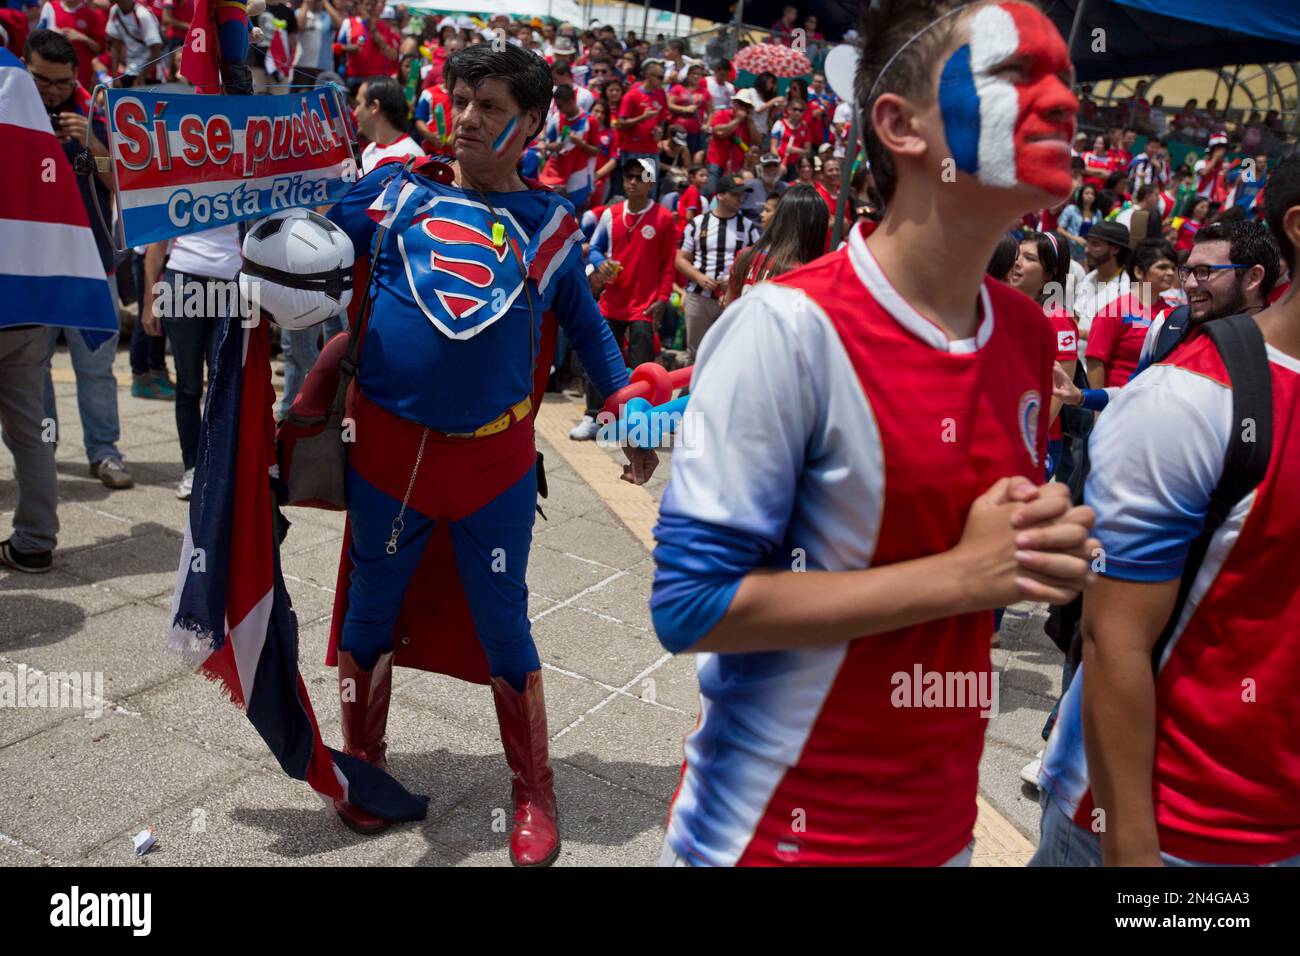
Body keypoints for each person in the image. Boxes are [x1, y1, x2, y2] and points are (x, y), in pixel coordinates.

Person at [651, 0, 1096, 867]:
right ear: (899, 125)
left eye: (1067, 81)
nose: (1064, 104)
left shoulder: (1026, 333)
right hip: (771, 838)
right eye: (1015, 76)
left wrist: (1037, 548)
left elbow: (972, 556)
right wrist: (961, 573)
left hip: (939, 835)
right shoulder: (785, 326)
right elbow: (689, 606)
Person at [321, 41, 655, 865]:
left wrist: (627, 419)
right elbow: (309, 252)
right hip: (388, 461)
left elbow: (590, 335)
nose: (467, 118)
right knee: (371, 614)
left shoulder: (550, 226)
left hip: (492, 470)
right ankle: (365, 764)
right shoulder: (392, 194)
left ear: (533, 122)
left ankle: (533, 787)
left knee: (506, 627)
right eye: (460, 100)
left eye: (492, 107)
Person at [1031, 167, 1294, 869]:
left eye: (1210, 271)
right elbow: (1113, 637)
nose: (1190, 284)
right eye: (1185, 269)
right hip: (1169, 834)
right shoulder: (1190, 393)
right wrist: (1133, 849)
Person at [25, 30, 133, 491]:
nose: (52, 91)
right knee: (34, 370)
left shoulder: (95, 110)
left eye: (61, 82)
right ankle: (42, 448)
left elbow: (120, 184)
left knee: (95, 368)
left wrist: (93, 144)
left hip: (91, 264)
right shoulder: (11, 111)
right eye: (41, 81)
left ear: (77, 77)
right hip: (30, 269)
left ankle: (104, 453)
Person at [570, 158, 677, 440]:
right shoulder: (611, 213)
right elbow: (594, 248)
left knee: (642, 365)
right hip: (613, 299)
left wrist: (663, 298)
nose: (631, 182)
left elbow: (669, 264)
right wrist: (600, 263)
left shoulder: (664, 218)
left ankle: (637, 422)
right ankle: (593, 416)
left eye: (638, 177)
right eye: (628, 176)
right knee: (599, 358)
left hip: (645, 303)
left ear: (651, 182)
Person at [140, 224, 242, 500]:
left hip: (232, 283)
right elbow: (157, 244)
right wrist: (150, 301)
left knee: (223, 383)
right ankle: (192, 468)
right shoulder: (178, 179)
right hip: (182, 282)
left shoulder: (243, 181)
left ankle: (219, 466)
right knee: (189, 385)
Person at [1009, 230, 1077, 477]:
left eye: (1029, 258)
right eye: (1017, 254)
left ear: (1049, 273)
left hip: (1038, 441)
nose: (1017, 262)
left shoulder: (1057, 320)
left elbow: (1060, 391)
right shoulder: (1006, 308)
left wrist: (1029, 439)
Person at [676, 172, 760, 358]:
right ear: (720, 195)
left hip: (733, 299)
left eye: (742, 194)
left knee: (728, 355)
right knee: (695, 355)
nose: (741, 198)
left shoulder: (749, 227)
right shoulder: (697, 224)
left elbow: (757, 262)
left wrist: (733, 281)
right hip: (699, 297)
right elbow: (680, 259)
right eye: (735, 193)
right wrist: (699, 277)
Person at [725, 182, 827, 302]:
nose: (762, 214)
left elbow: (729, 305)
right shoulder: (801, 274)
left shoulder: (745, 256)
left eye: (768, 210)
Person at [613, 59, 666, 193]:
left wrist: (659, 132)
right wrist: (642, 118)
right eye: (660, 77)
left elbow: (661, 121)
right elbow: (620, 123)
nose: (662, 80)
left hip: (651, 150)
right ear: (648, 76)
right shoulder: (632, 96)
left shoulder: (660, 96)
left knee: (649, 191)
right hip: (632, 150)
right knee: (630, 191)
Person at [1073, 220, 1131, 342]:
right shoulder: (1088, 278)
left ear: (1115, 249)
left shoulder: (1127, 289)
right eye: (1087, 243)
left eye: (1095, 244)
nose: (1087, 250)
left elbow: (1119, 337)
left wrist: (1078, 333)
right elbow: (1076, 316)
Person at [355, 75, 422, 174]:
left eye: (358, 104)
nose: (355, 112)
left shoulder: (412, 156)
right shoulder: (369, 149)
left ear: (374, 106)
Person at [36, 0, 103, 89]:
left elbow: (99, 49)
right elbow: (38, 39)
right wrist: (53, 33)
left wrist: (83, 38)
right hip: (53, 72)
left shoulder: (91, 15)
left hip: (81, 76)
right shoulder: (50, 8)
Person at [703, 90, 756, 196]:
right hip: (717, 162)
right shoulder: (722, 114)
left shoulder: (748, 122)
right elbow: (719, 132)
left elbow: (757, 141)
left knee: (731, 195)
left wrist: (750, 122)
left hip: (736, 166)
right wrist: (737, 120)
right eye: (740, 104)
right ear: (734, 103)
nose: (743, 108)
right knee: (710, 191)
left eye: (746, 106)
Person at [104, 0, 160, 84]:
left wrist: (141, 77)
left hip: (150, 74)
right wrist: (115, 77)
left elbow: (157, 52)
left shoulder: (143, 15)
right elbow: (115, 46)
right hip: (131, 70)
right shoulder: (114, 11)